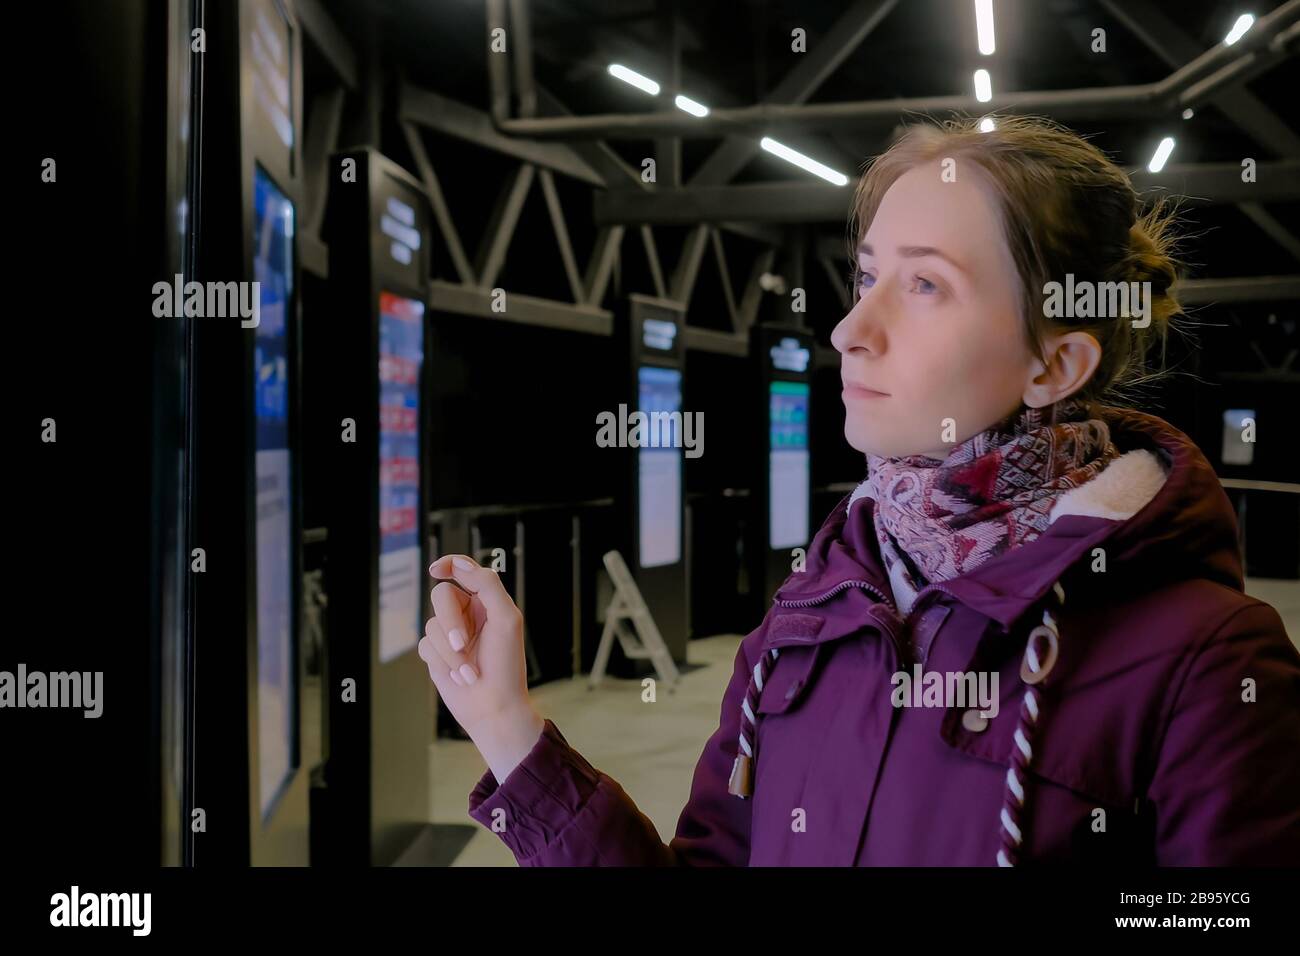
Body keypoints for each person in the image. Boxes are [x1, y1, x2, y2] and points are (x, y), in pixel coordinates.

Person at [418, 115, 1300, 866]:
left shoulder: (1211, 663)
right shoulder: (810, 615)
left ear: (1055, 363)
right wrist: (508, 730)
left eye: (926, 285)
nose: (850, 329)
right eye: (868, 276)